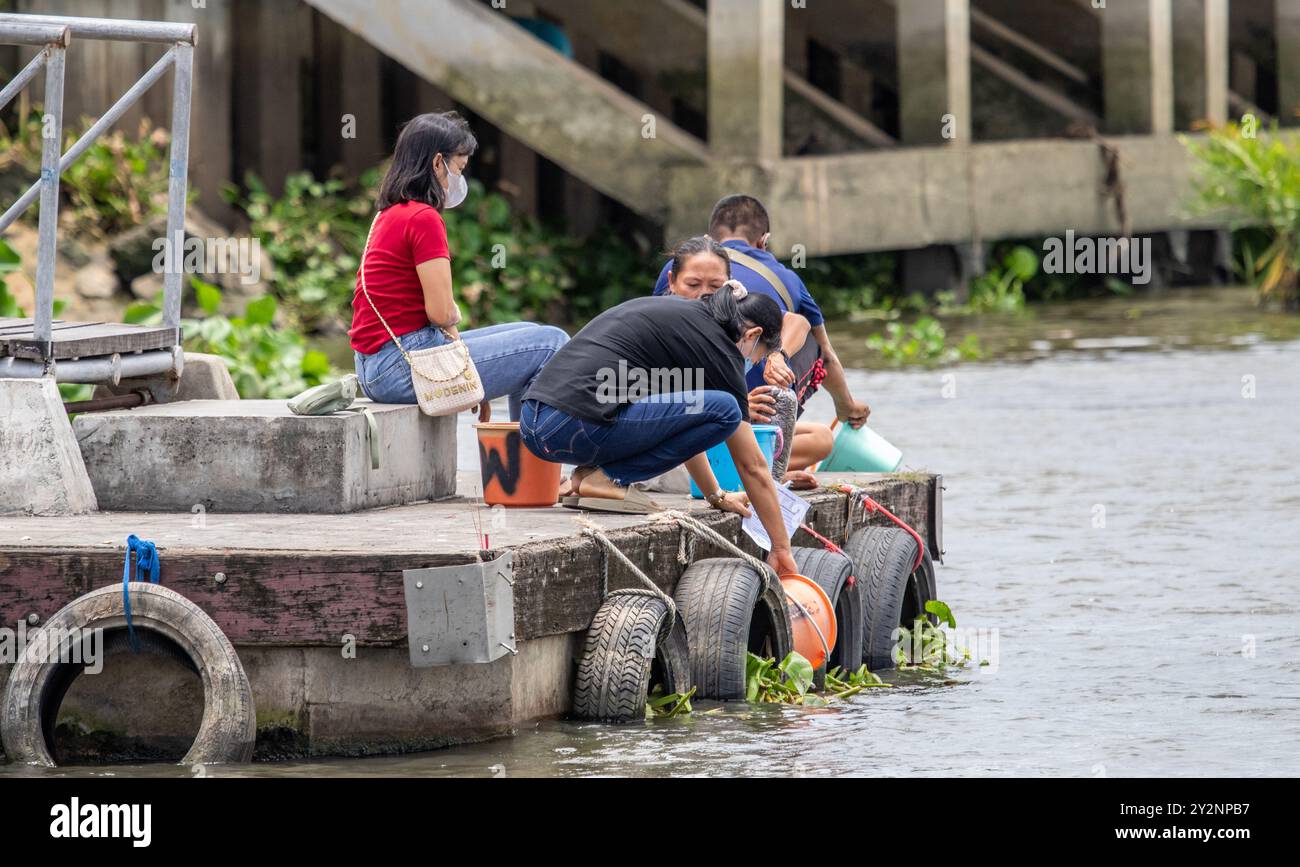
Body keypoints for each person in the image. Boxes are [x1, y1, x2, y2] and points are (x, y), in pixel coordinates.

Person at [520, 269, 800, 575]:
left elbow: (683, 425)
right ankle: (609, 477)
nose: (750, 365)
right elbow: (753, 467)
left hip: (536, 423)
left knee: (708, 406)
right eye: (757, 358)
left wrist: (715, 495)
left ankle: (592, 475)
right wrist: (781, 547)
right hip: (572, 425)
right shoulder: (721, 348)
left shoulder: (688, 318)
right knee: (728, 409)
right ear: (752, 335)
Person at [351, 111, 568, 421]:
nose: (460, 179)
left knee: (531, 331)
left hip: (374, 365)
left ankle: (520, 455)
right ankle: (528, 460)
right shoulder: (423, 219)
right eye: (459, 167)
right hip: (401, 366)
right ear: (438, 163)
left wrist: (469, 375)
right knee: (552, 343)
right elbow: (440, 313)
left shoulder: (390, 213)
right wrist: (456, 328)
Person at [656, 198, 869, 470]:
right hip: (697, 419)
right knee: (815, 349)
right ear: (764, 241)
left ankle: (755, 456)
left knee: (822, 438)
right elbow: (826, 357)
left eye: (715, 284)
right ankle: (756, 460)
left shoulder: (698, 282)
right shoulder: (785, 278)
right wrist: (847, 406)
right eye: (694, 283)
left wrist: (776, 358)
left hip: (727, 410)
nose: (704, 294)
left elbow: (797, 323)